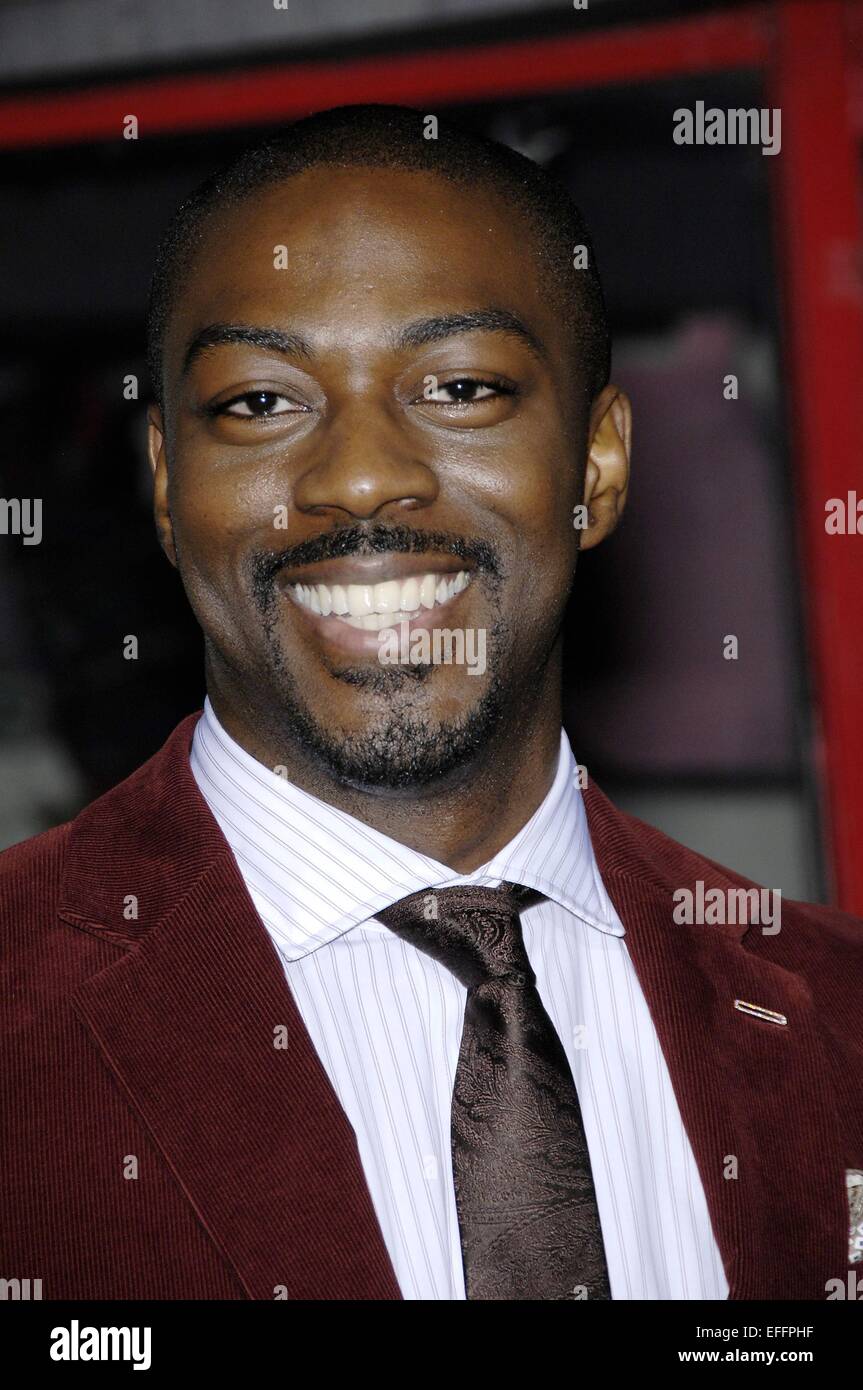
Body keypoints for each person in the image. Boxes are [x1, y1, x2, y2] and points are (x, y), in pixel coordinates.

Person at [2, 104, 861, 1302]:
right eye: (259, 401)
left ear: (596, 467)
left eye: (459, 387)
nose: (359, 474)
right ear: (163, 481)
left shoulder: (836, 1018)